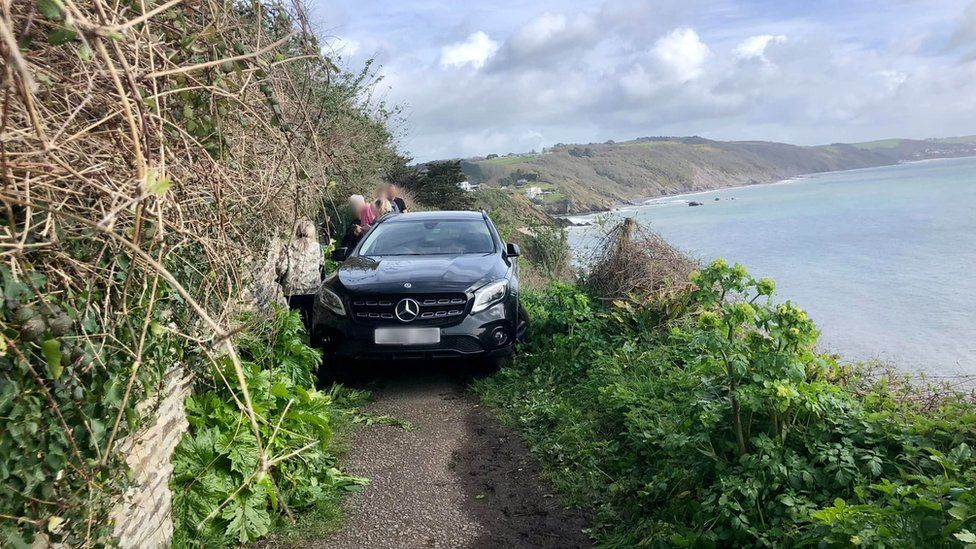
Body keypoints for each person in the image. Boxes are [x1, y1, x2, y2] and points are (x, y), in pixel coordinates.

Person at [277, 218, 322, 331]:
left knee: (295, 321)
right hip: (312, 289)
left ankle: (297, 341)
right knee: (312, 318)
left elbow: (281, 269)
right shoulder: (318, 248)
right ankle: (312, 342)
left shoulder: (288, 247)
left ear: (297, 231)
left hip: (292, 289)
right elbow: (321, 266)